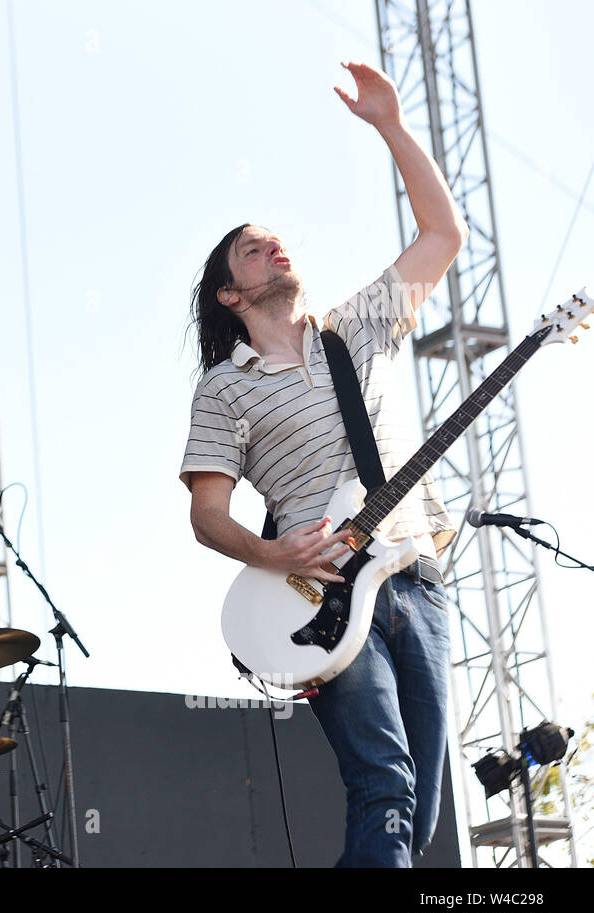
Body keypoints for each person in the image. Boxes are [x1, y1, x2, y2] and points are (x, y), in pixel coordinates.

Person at [179, 63, 467, 867]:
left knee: (424, 802)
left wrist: (392, 126)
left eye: (276, 239)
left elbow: (443, 236)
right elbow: (206, 514)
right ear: (230, 293)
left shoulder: (357, 328)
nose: (273, 245)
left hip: (421, 580)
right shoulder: (225, 390)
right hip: (328, 595)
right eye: (250, 247)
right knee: (384, 783)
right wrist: (273, 553)